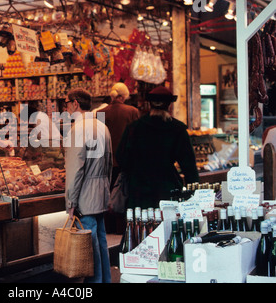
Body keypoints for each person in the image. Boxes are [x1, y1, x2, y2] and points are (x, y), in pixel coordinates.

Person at [116, 86, 199, 209]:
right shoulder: (177, 129)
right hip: (167, 188)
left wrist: (135, 172)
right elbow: (189, 165)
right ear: (169, 106)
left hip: (139, 189)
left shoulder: (134, 127)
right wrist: (194, 191)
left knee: (141, 224)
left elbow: (121, 157)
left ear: (150, 105)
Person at [64, 89, 112, 283]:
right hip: (100, 193)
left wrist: (70, 201)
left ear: (75, 103)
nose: (65, 108)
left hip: (85, 196)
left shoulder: (77, 129)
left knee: (90, 250)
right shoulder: (102, 127)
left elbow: (75, 169)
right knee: (101, 244)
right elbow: (109, 164)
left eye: (66, 103)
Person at [98, 82, 140, 234]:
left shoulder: (100, 113)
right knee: (123, 195)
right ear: (122, 97)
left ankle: (108, 228)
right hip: (126, 163)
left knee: (108, 196)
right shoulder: (132, 111)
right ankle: (123, 229)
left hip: (106, 163)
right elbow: (137, 139)